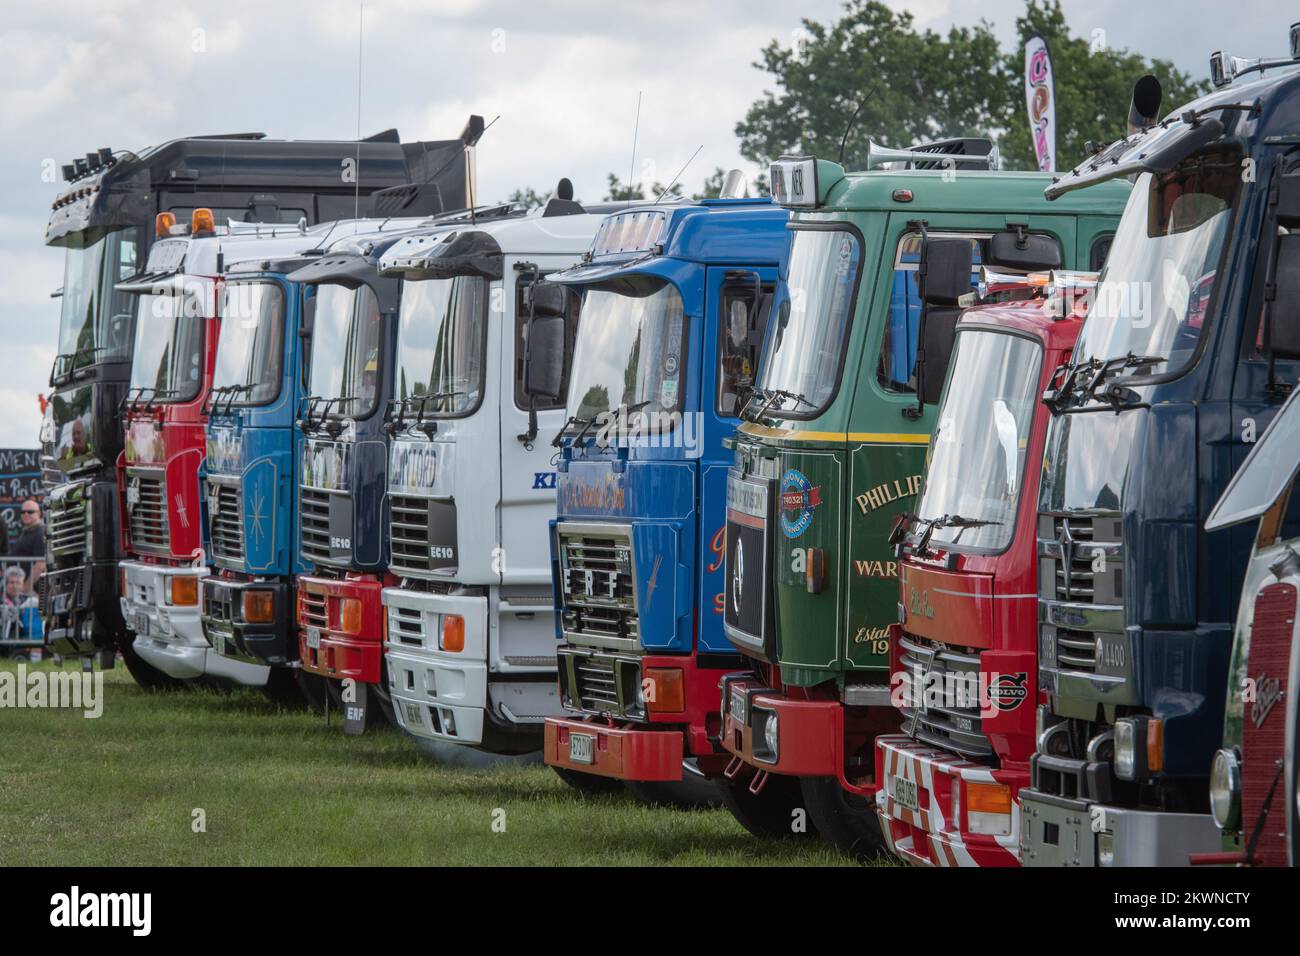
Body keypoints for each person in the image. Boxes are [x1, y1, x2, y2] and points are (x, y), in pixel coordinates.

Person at [12, 497, 46, 594]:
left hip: (33, 591)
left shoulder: (40, 532)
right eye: (23, 512)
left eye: (30, 512)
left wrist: (25, 588)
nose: (26, 514)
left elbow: (40, 565)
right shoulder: (26, 531)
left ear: (39, 513)